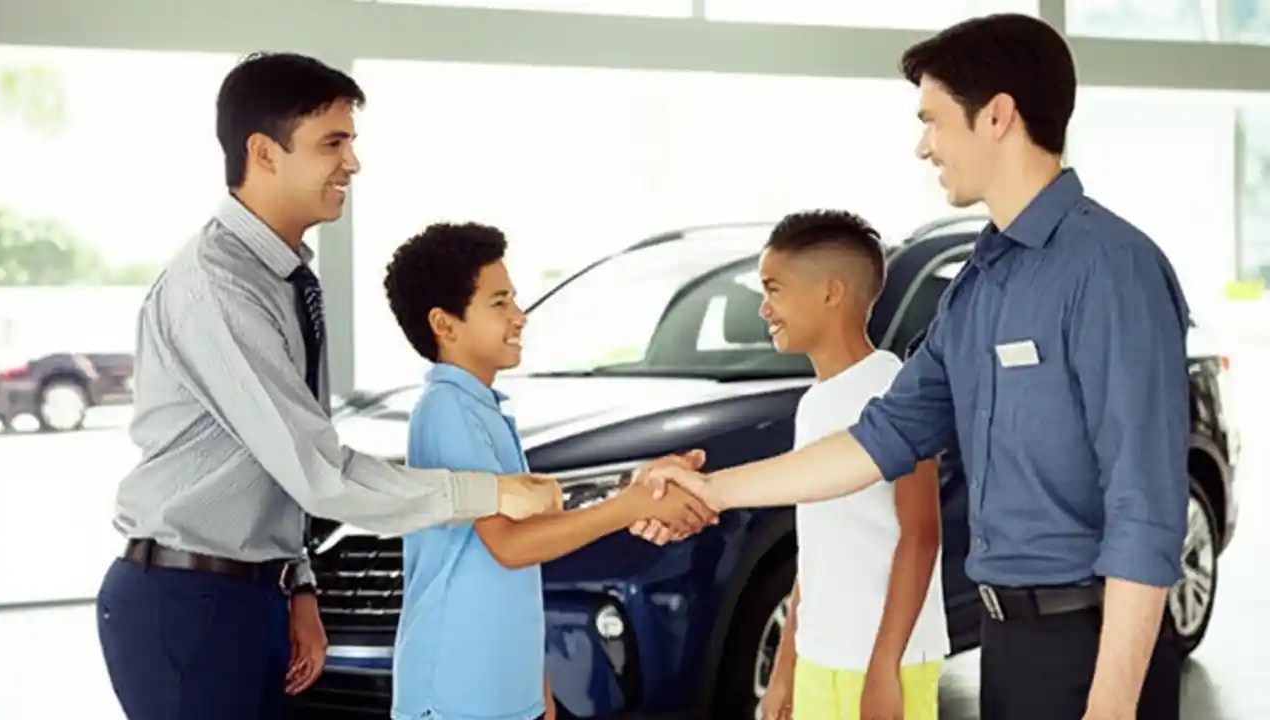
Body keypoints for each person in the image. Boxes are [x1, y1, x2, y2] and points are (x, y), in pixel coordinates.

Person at [646, 14, 1189, 720]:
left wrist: (1110, 707)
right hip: (1009, 643)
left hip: (1095, 650)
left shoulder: (1111, 268)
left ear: (997, 116)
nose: (923, 145)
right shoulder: (977, 286)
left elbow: (1144, 508)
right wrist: (710, 489)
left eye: (933, 121)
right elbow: (877, 442)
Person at [96, 53, 562, 720]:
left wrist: (299, 584)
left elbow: (284, 459)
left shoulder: (286, 280)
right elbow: (318, 470)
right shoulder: (219, 289)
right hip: (187, 599)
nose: (352, 163)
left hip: (250, 593)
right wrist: (491, 493)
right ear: (264, 153)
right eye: (332, 143)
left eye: (352, 141)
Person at [382, 222, 714, 720]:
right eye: (499, 303)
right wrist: (632, 506)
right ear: (445, 324)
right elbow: (510, 546)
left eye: (514, 300)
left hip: (503, 694)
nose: (520, 317)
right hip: (456, 696)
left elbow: (522, 543)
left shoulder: (483, 408)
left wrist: (536, 688)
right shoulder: (447, 410)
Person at [752, 211, 948, 720]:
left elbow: (921, 533)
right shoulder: (813, 403)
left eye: (774, 289)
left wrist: (884, 669)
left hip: (888, 665)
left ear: (831, 292)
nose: (763, 308)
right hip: (821, 660)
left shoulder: (893, 391)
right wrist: (784, 673)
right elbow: (813, 555)